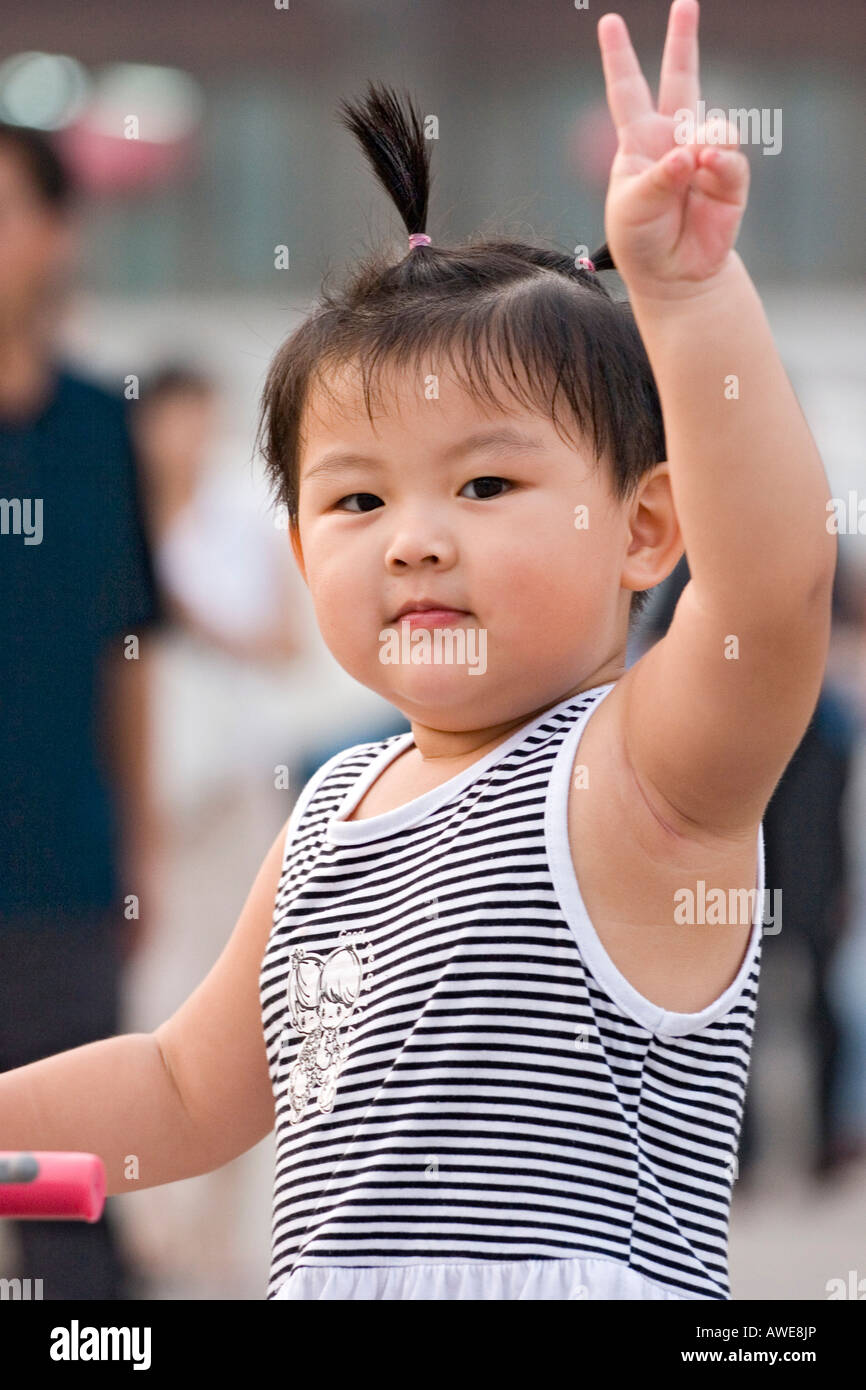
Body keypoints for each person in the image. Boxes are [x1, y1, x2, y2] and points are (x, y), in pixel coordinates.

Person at [0, 2, 838, 1302]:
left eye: (485, 485)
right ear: (299, 550)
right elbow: (180, 1090)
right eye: (357, 499)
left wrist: (685, 294)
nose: (414, 541)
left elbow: (770, 592)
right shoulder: (328, 811)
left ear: (643, 529)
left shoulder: (636, 776)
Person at [0, 122, 163, 1297]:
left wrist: (136, 846)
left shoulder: (103, 430)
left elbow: (128, 651)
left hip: (61, 878)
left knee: (58, 1196)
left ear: (59, 232)